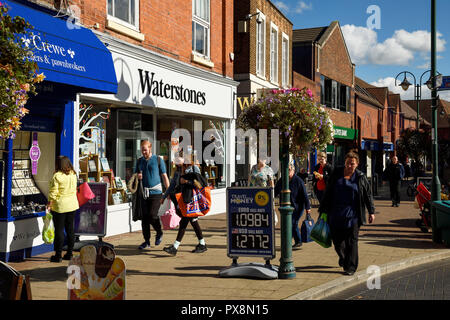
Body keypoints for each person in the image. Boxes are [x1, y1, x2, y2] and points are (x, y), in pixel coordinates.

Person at [319, 152, 375, 276]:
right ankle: (344, 257)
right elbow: (328, 190)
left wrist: (371, 211)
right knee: (337, 241)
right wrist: (323, 209)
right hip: (335, 213)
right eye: (348, 163)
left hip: (353, 214)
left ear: (357, 164)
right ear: (344, 162)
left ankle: (351, 267)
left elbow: (367, 195)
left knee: (352, 241)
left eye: (352, 164)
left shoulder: (360, 177)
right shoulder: (337, 173)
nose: (350, 166)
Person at [162, 156, 208, 256]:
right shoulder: (178, 171)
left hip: (192, 200)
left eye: (179, 159)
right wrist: (165, 196)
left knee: (185, 221)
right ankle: (202, 244)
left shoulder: (193, 168)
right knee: (192, 221)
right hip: (183, 200)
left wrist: (187, 182)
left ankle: (175, 247)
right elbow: (172, 185)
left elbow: (201, 184)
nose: (176, 162)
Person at [135, 140, 170, 250]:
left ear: (150, 148)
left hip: (156, 192)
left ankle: (159, 232)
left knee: (152, 215)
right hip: (144, 192)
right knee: (144, 218)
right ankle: (146, 242)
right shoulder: (139, 161)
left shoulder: (158, 160)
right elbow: (134, 176)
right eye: (142, 150)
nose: (143, 152)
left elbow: (164, 176)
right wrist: (138, 177)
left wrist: (168, 191)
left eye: (145, 149)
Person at [47, 156, 79, 262]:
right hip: (72, 204)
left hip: (60, 206)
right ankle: (70, 253)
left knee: (59, 230)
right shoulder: (73, 173)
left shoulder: (57, 176)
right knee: (70, 229)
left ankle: (58, 255)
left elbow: (53, 192)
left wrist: (49, 203)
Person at [275, 162, 311, 248]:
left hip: (298, 207)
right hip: (285, 207)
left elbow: (305, 195)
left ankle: (297, 241)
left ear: (293, 171)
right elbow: (275, 192)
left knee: (293, 223)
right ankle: (291, 241)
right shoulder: (282, 180)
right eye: (285, 170)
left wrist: (308, 208)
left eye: (289, 170)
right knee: (288, 224)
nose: (287, 172)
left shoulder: (299, 181)